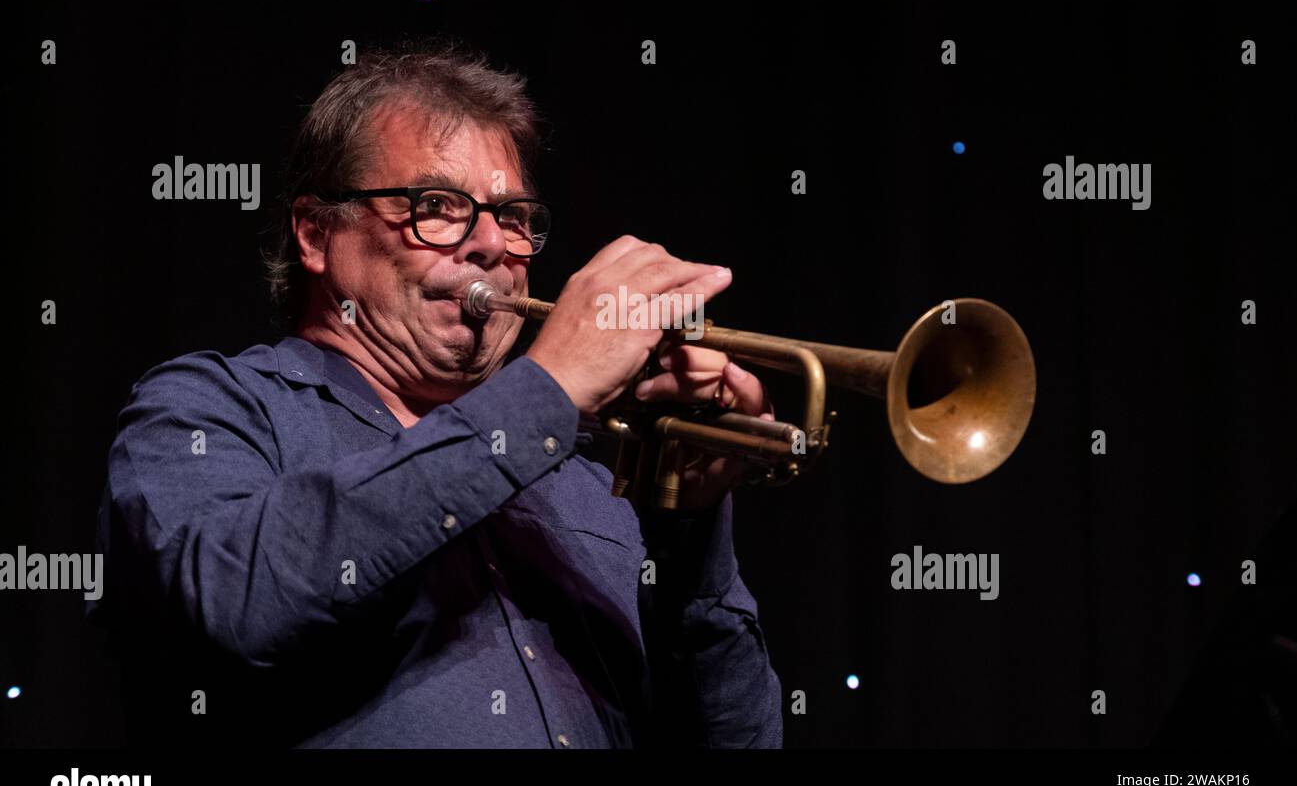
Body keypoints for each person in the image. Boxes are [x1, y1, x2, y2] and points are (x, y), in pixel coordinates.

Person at [88, 38, 784, 748]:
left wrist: (686, 526)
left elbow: (736, 739)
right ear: (316, 233)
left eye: (512, 217)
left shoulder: (583, 483)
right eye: (439, 206)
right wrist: (547, 390)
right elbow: (236, 602)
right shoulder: (208, 410)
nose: (490, 244)